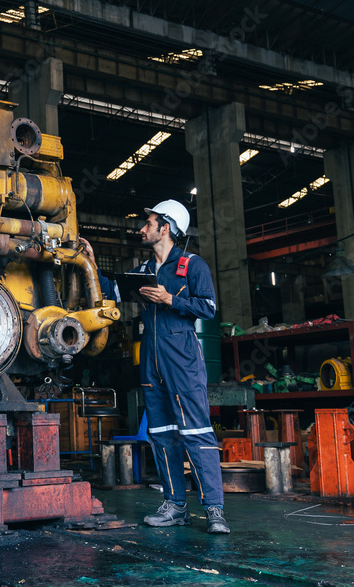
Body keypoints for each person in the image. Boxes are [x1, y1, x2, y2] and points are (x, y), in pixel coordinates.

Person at [131, 199, 229, 534]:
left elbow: (209, 307)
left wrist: (171, 299)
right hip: (151, 360)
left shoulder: (192, 265)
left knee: (196, 432)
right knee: (161, 434)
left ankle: (214, 509)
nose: (142, 228)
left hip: (182, 358)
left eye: (149, 222)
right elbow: (110, 289)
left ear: (166, 227)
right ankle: (175, 506)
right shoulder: (142, 271)